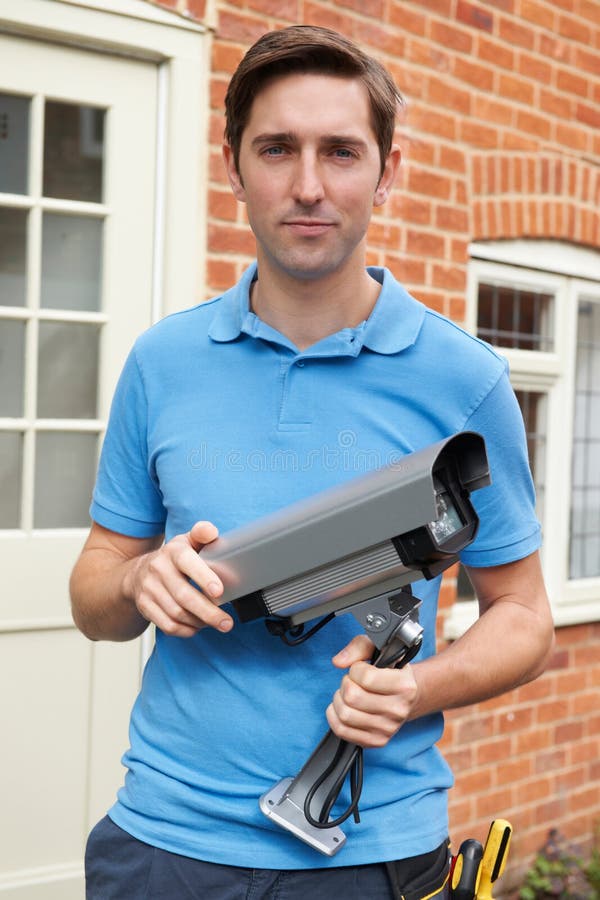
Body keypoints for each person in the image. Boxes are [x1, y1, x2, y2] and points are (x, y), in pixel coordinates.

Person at [71, 25, 555, 900]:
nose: (308, 186)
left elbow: (523, 615)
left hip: (369, 858)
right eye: (276, 149)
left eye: (340, 151)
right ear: (234, 169)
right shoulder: (161, 361)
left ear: (388, 171)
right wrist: (140, 580)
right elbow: (94, 594)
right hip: (162, 847)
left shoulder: (466, 379)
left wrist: (417, 689)